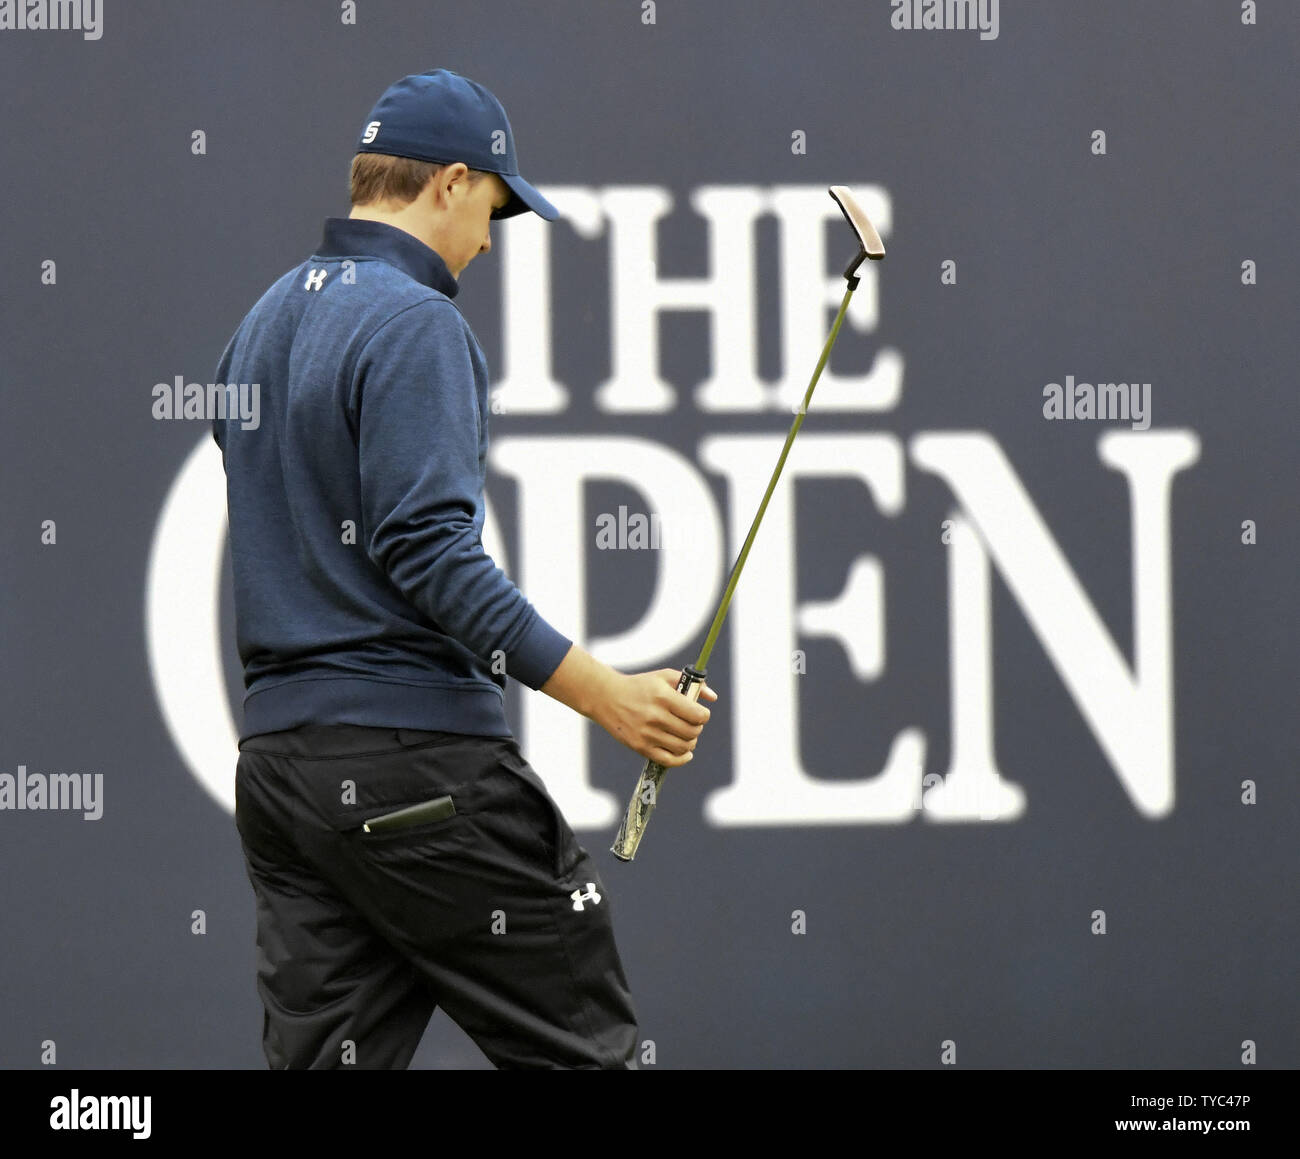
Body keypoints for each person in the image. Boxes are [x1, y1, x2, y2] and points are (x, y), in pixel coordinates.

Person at [211, 69, 715, 1070]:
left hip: (281, 781)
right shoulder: (416, 321)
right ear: (447, 182)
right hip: (418, 774)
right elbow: (427, 551)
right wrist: (607, 695)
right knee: (586, 1052)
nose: (488, 241)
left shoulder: (256, 326)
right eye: (492, 208)